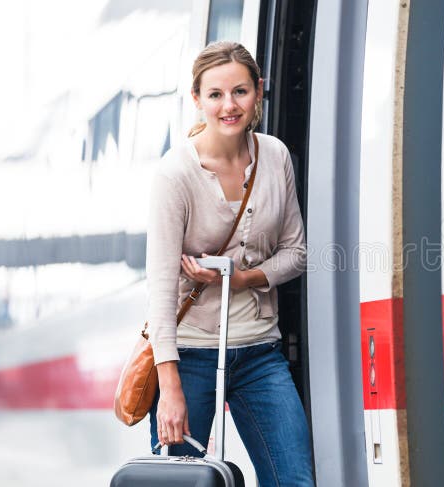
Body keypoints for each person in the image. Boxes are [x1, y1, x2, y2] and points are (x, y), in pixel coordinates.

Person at [146, 41, 313, 486]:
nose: (229, 106)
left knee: (293, 480)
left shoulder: (275, 156)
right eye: (215, 95)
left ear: (258, 91)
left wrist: (244, 279)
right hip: (190, 356)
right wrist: (170, 389)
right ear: (197, 99)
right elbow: (160, 289)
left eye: (240, 91)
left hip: (261, 352)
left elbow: (297, 252)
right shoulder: (174, 175)